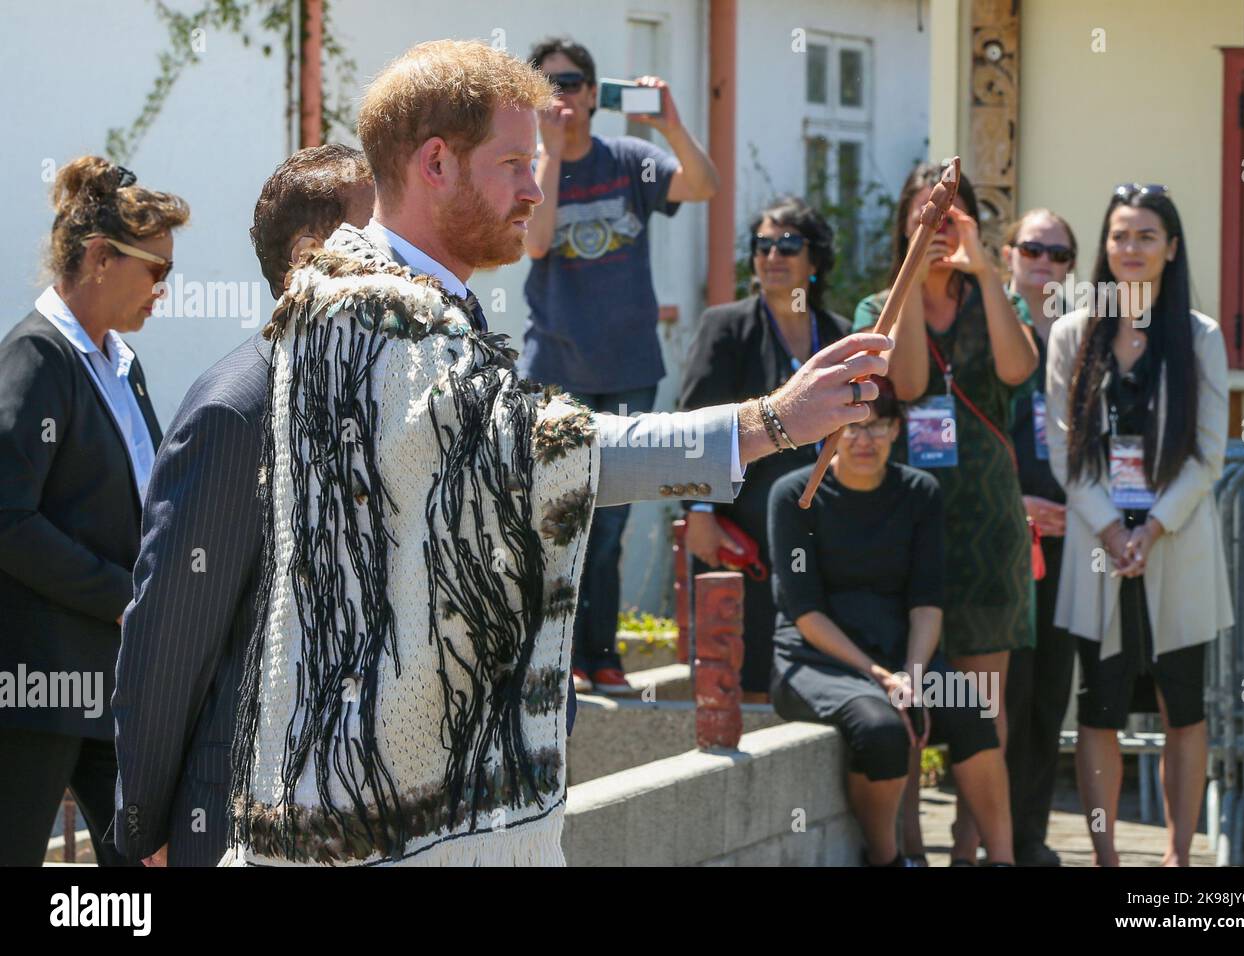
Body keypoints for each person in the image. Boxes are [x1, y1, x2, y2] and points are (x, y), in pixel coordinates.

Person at [220, 39, 890, 868]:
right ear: (436, 162)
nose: (537, 191)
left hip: (404, 796)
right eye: (514, 164)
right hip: (374, 819)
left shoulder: (410, 310)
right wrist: (771, 422)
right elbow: (546, 450)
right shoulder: (362, 319)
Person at [110, 145, 374, 868]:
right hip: (234, 819)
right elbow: (170, 639)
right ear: (309, 255)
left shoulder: (385, 397)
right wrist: (145, 826)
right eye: (378, 237)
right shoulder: (238, 411)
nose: (403, 261)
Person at [0, 156, 188, 866]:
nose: (163, 292)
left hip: (112, 681)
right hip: (33, 685)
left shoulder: (119, 362)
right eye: (156, 272)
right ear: (101, 258)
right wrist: (121, 596)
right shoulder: (35, 359)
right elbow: (6, 519)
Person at [522, 37, 719, 695]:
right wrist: (548, 153)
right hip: (555, 371)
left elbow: (702, 185)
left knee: (610, 523)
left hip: (631, 369)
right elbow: (537, 239)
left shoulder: (629, 159)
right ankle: (558, 660)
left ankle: (600, 656)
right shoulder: (529, 165)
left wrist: (667, 121)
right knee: (558, 517)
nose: (564, 95)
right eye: (549, 84)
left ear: (595, 92)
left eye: (575, 82)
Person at [1045, 184, 1233, 867]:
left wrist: (1150, 529)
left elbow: (1209, 453)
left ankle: (1180, 862)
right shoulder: (1073, 334)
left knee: (1183, 711)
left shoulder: (1199, 337)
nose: (1131, 248)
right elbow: (1064, 450)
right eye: (1120, 235)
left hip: (1174, 548)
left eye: (1146, 236)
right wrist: (1108, 531)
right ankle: (1106, 859)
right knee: (1099, 713)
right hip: (1100, 554)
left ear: (1171, 249)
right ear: (1106, 247)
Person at [855, 162, 1038, 864]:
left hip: (988, 519)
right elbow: (908, 384)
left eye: (949, 217)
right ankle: (907, 842)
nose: (936, 230)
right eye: (924, 217)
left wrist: (987, 273)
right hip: (909, 520)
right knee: (912, 690)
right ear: (905, 225)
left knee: (980, 708)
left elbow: (1018, 371)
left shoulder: (998, 298)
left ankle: (972, 845)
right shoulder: (881, 304)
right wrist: (911, 280)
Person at [768, 388, 1012, 866]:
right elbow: (804, 611)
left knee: (970, 710)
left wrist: (913, 674)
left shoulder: (919, 492)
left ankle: (1002, 857)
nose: (865, 438)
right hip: (818, 658)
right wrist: (879, 676)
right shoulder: (796, 496)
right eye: (853, 426)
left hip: (903, 653)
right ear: (829, 433)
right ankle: (887, 856)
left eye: (878, 425)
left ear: (896, 431)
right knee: (881, 730)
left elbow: (927, 601)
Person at [679, 197, 849, 701]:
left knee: (811, 654)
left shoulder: (837, 335)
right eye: (763, 245)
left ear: (814, 261)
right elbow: (695, 423)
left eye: (789, 245)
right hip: (741, 526)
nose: (773, 255)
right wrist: (700, 511)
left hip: (817, 527)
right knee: (745, 663)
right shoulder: (727, 327)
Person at [1001, 208, 1078, 867]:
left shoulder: (1085, 339)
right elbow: (963, 439)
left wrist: (1086, 511)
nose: (1045, 263)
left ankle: (1031, 839)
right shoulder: (988, 329)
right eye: (1034, 249)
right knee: (1005, 695)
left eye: (1059, 254)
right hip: (1001, 538)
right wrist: (1012, 505)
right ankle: (992, 841)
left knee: (1050, 696)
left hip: (1070, 538)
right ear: (1008, 255)